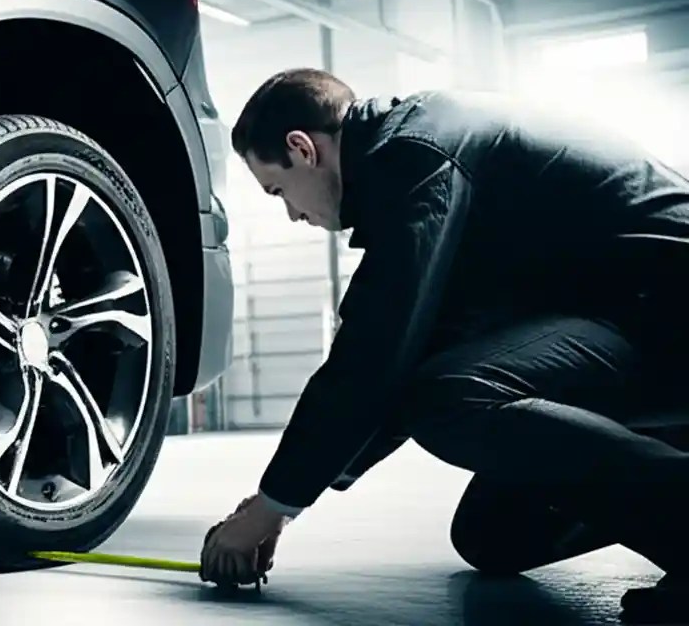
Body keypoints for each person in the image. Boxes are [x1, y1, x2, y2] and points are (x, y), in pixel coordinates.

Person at [198, 68, 689, 623]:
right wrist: (280, 506)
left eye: (278, 190)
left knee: (448, 397)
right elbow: (406, 358)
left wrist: (271, 506)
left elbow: (373, 353)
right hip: (628, 320)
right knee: (493, 534)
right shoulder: (425, 156)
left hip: (665, 312)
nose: (292, 213)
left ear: (302, 148)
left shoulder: (416, 153)